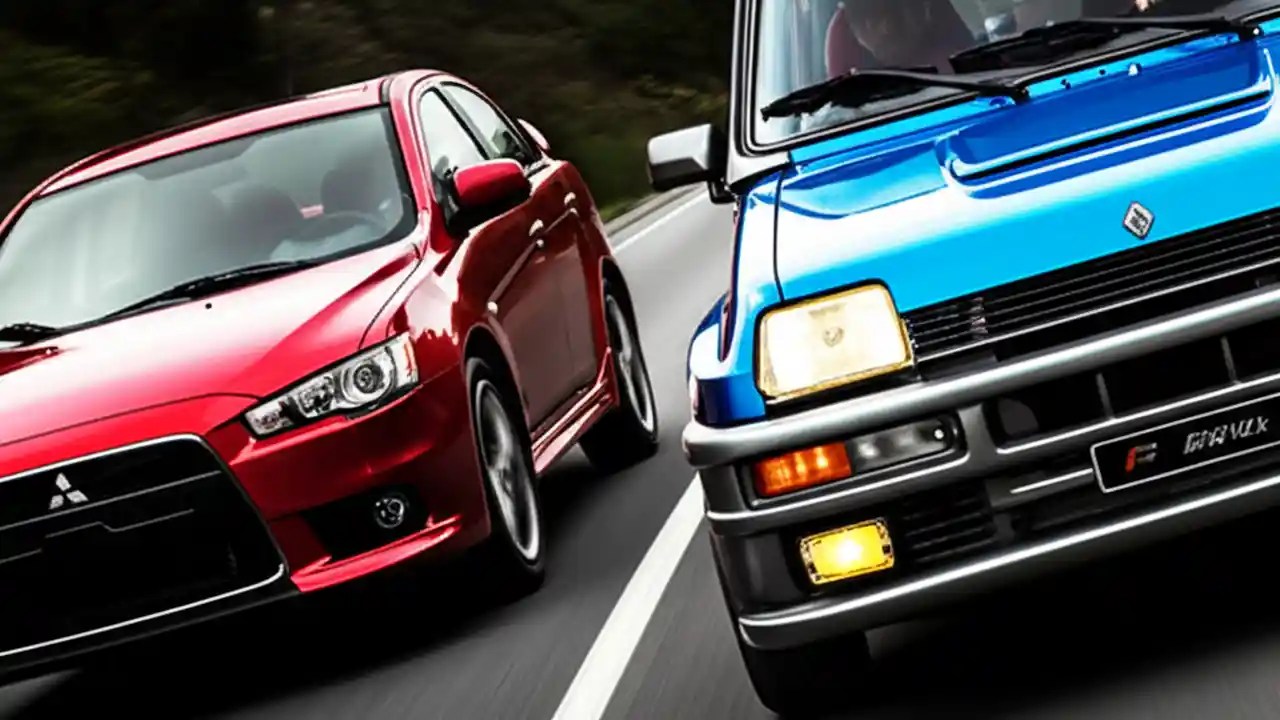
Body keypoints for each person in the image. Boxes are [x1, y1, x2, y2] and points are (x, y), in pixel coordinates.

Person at [825, 0, 977, 77]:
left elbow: (974, 70)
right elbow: (838, 105)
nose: (885, 28)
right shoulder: (841, 33)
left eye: (891, 13)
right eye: (868, 20)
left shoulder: (939, 21)